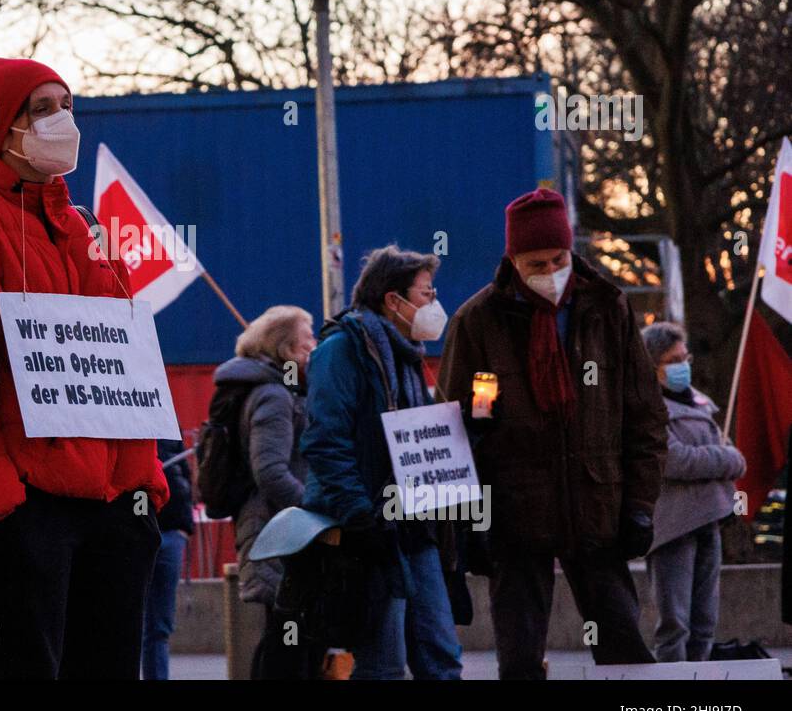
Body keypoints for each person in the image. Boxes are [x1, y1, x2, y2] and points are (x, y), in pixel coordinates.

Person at [0, 57, 169, 679]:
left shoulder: (85, 231)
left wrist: (143, 483)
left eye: (68, 105)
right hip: (28, 508)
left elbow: (124, 370)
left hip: (112, 506)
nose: (64, 120)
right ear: (2, 128)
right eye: (43, 108)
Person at [439, 188, 667, 679]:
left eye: (557, 259)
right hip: (514, 516)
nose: (549, 272)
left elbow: (644, 416)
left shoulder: (609, 308)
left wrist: (640, 507)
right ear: (512, 260)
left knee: (624, 651)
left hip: (597, 509)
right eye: (534, 263)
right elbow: (454, 431)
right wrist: (469, 521)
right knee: (520, 660)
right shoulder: (477, 321)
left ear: (571, 252)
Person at [300, 247, 463, 680]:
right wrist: (359, 516)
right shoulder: (343, 350)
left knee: (442, 657)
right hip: (369, 530)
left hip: (413, 527)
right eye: (426, 294)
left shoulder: (408, 354)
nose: (434, 304)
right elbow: (325, 441)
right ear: (394, 300)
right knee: (382, 665)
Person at [214, 305, 323, 680]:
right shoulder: (274, 395)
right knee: (288, 638)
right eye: (309, 339)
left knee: (288, 635)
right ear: (288, 350)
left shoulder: (279, 389)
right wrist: (316, 511)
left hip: (278, 529)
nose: (316, 345)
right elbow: (271, 471)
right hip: (281, 532)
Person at [640, 321, 745, 662]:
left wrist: (725, 459)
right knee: (675, 624)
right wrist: (724, 460)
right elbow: (675, 461)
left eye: (684, 357)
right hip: (674, 527)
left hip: (710, 518)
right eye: (672, 360)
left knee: (704, 622)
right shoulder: (647, 408)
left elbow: (736, 457)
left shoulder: (700, 402)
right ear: (652, 366)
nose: (682, 366)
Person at [142, 438, 194, 680]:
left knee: (159, 626)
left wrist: (184, 526)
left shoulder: (170, 431)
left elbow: (185, 477)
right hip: (144, 533)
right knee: (139, 623)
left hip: (171, 532)